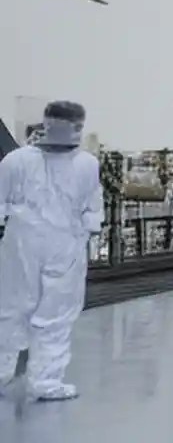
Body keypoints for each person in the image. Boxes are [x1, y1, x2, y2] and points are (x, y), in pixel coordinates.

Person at [0, 101, 102, 400]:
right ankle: (21, 375)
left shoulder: (86, 164)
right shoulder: (17, 162)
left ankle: (42, 380)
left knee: (51, 313)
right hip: (29, 243)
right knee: (16, 309)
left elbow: (92, 207)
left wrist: (88, 236)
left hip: (60, 244)